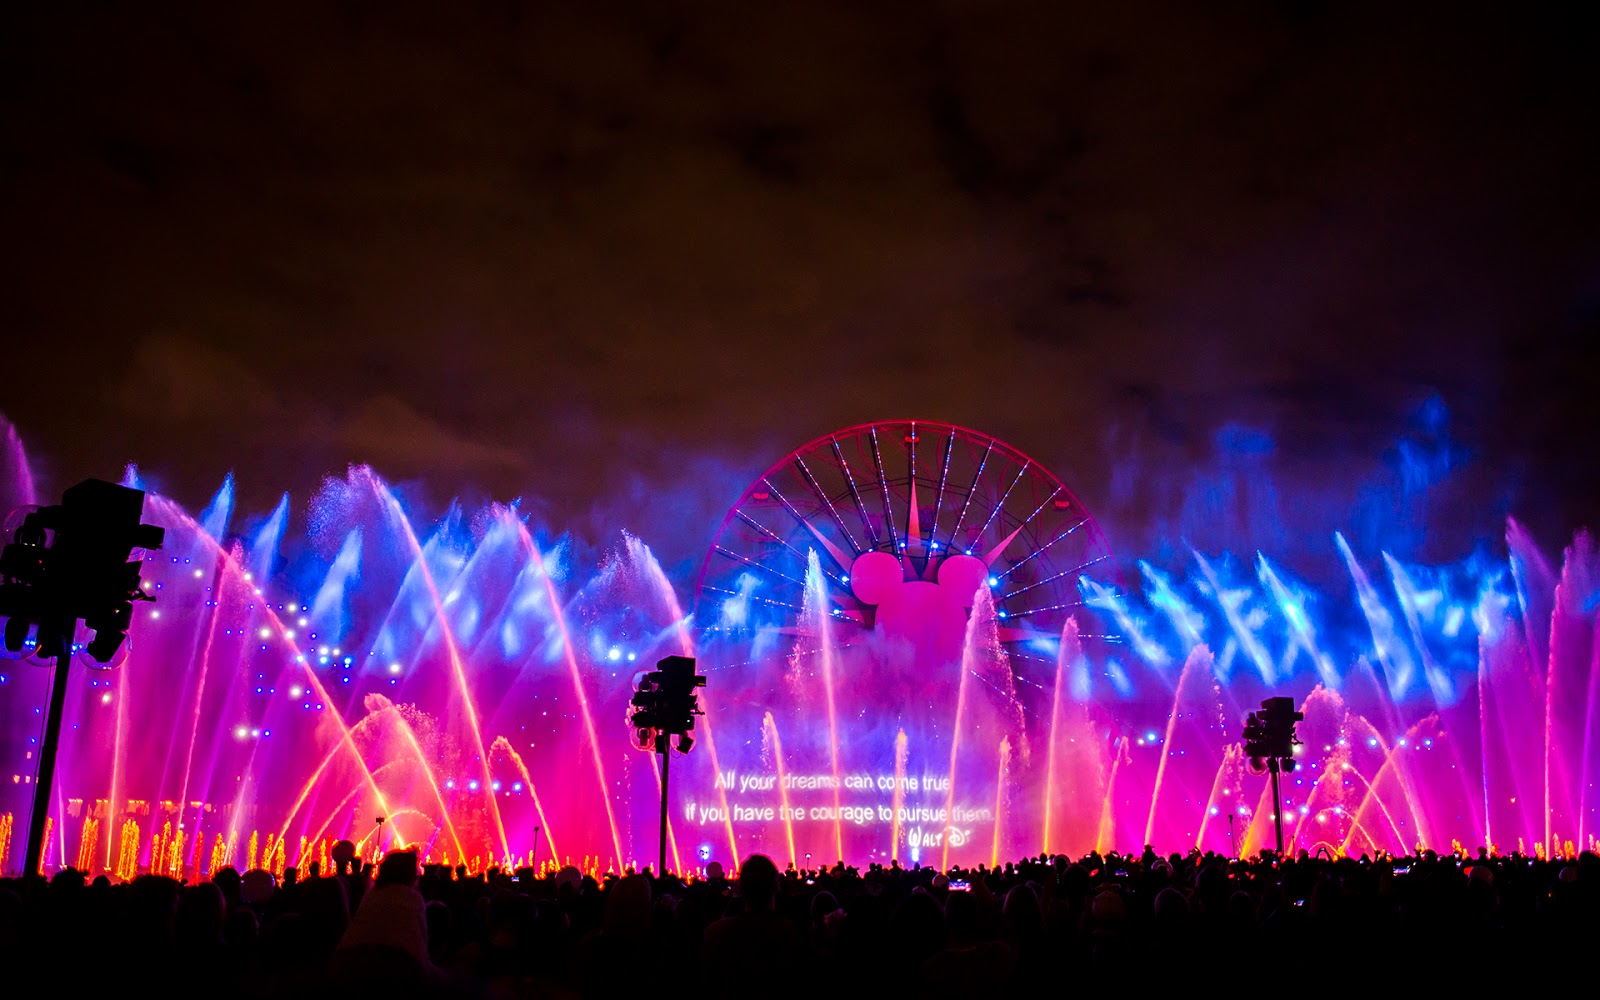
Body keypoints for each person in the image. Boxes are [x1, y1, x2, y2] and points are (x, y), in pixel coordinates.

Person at [701, 854, 799, 997]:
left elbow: (707, 982)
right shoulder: (790, 932)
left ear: (740, 887)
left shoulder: (716, 932)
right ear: (777, 886)